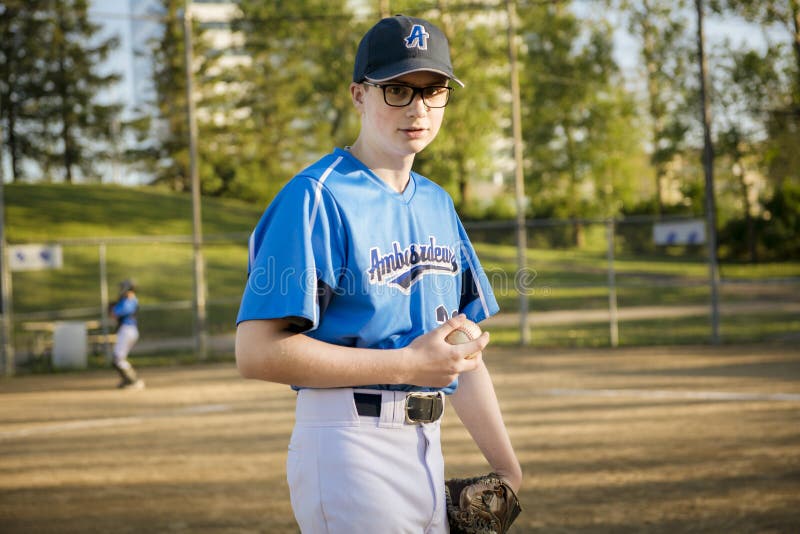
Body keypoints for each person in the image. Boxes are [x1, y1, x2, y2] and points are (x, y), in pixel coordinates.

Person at [235, 14, 521, 533]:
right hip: (348, 445)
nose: (418, 107)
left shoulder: (438, 203)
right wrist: (406, 361)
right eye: (397, 89)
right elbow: (255, 352)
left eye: (434, 90)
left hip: (427, 447)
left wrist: (507, 468)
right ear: (358, 95)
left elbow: (461, 354)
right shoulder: (316, 197)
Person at [109, 279, 144, 390]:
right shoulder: (132, 300)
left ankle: (133, 381)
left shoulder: (127, 301)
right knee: (119, 359)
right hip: (129, 330)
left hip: (126, 330)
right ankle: (128, 380)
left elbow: (114, 314)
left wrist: (112, 308)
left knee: (117, 359)